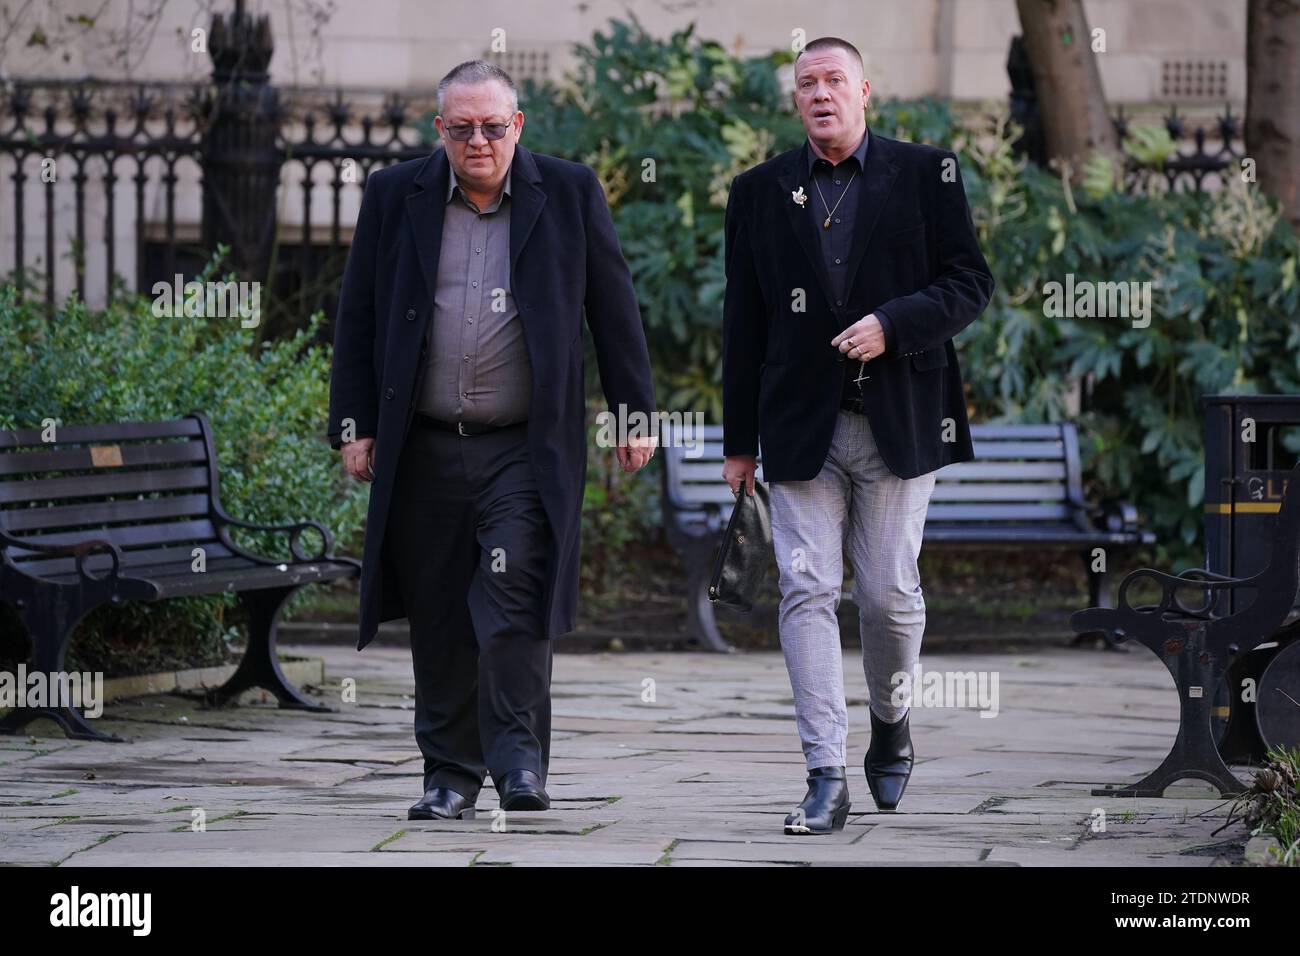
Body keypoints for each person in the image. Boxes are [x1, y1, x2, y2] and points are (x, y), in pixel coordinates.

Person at [327, 59, 656, 821]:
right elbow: (360, 317)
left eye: (493, 126)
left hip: (523, 448)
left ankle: (518, 767)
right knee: (441, 612)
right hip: (426, 446)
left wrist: (634, 411)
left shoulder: (568, 193)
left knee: (513, 600)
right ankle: (447, 774)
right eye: (462, 127)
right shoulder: (393, 196)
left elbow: (614, 308)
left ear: (519, 127)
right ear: (439, 130)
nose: (479, 141)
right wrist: (355, 425)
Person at [720, 37, 993, 833]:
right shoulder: (760, 191)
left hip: (902, 422)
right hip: (801, 430)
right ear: (796, 101)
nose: (820, 93)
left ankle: (892, 721)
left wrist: (893, 325)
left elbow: (970, 282)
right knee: (805, 589)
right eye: (806, 84)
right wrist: (740, 446)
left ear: (864, 90)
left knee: (887, 596)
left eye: (833, 79)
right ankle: (823, 774)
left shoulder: (926, 173)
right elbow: (744, 323)